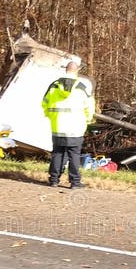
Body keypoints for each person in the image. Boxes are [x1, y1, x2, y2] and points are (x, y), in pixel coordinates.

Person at [41, 59, 95, 188]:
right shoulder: (82, 86)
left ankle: (54, 180)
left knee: (57, 153)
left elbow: (44, 104)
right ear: (76, 71)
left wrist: (52, 117)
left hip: (57, 125)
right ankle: (74, 182)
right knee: (74, 155)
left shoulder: (54, 86)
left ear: (65, 70)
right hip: (75, 127)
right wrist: (87, 120)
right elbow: (89, 106)